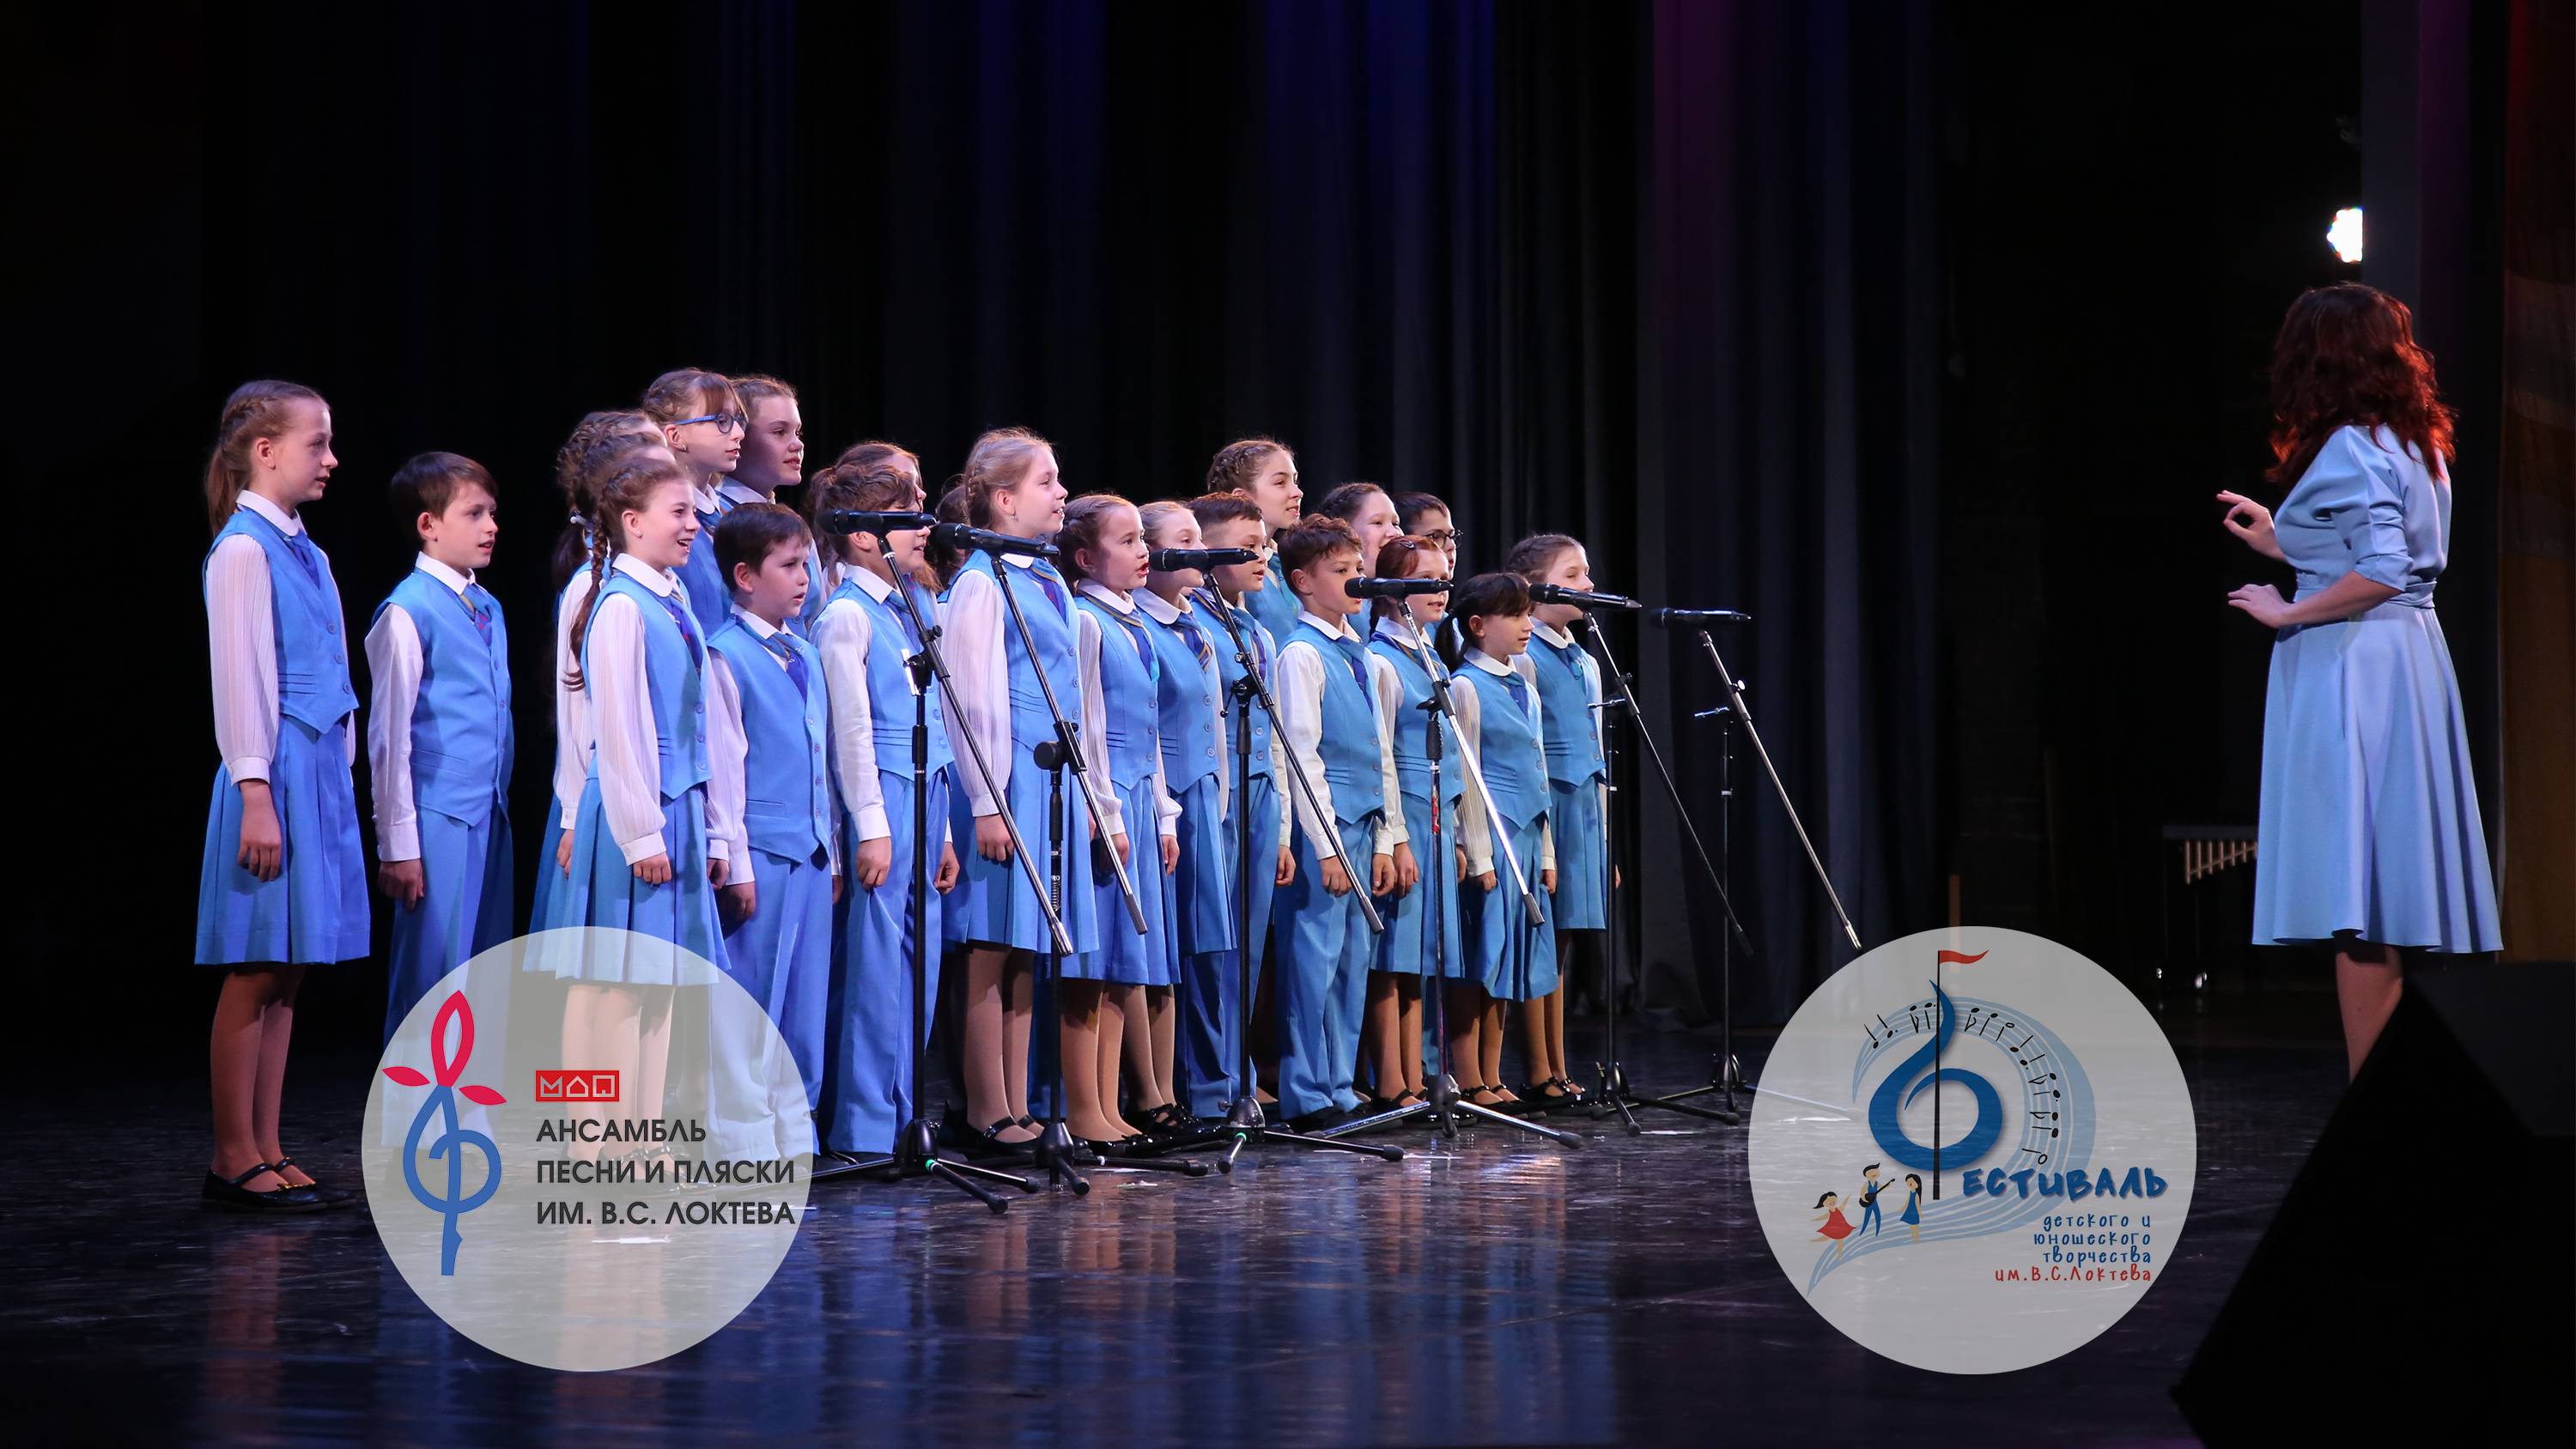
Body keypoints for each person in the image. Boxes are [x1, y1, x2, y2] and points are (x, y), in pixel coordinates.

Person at [2219, 282, 2502, 1078]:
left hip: (2350, 665)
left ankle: (2374, 1113)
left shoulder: (2347, 444)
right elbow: (2389, 554)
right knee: (2381, 896)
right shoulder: (2420, 445)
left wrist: (2286, 612)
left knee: (2359, 909)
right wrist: (2286, 543)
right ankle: (2398, 1104)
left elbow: (2381, 567)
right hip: (2407, 660)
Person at [195, 380, 365, 1214]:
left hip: (316, 773)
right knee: (256, 960)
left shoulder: (307, 549)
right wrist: (254, 787)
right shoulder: (242, 550)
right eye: (316, 443)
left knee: (291, 969)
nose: (330, 459)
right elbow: (243, 682)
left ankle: (267, 1140)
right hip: (271, 773)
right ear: (266, 452)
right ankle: (232, 1152)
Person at [941, 428, 1096, 1150]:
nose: (1062, 493)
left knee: (1028, 946)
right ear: (1004, 501)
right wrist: (985, 799)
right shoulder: (979, 580)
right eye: (1048, 481)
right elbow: (971, 701)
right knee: (988, 946)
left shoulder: (1044, 577)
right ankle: (984, 1106)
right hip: (1004, 785)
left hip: (1046, 781)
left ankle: (1020, 1098)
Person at [809, 448, 962, 1157]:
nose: (923, 527)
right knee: (873, 965)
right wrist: (871, 828)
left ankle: (908, 1114)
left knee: (918, 961)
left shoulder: (909, 607)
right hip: (882, 802)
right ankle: (865, 1123)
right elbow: (850, 733)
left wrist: (948, 835)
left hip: (924, 795)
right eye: (907, 518)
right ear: (865, 535)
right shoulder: (847, 616)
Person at [705, 503, 839, 1159]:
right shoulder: (725, 656)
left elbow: (821, 759)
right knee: (753, 998)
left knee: (805, 1003)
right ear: (744, 576)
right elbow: (726, 769)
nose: (802, 579)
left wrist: (833, 848)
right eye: (787, 566)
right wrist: (736, 862)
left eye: (806, 565)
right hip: (760, 849)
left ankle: (794, 1129)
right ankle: (740, 1136)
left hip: (810, 851)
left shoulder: (806, 654)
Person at [367, 452, 513, 1043]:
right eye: (474, 513)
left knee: (481, 972)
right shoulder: (409, 610)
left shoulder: (486, 605)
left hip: (489, 809)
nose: (491, 526)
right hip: (437, 815)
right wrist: (398, 843)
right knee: (433, 976)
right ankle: (412, 1123)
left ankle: (465, 1122)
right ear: (429, 525)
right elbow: (389, 737)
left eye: (492, 513)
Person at [1269, 516, 1406, 1130]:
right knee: (1313, 962)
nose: (1356, 580)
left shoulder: (1366, 659)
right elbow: (1299, 753)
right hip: (1323, 828)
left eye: (1358, 569)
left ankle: (1340, 1084)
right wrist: (1326, 847)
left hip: (1364, 822)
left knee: (1353, 962)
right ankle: (1305, 1090)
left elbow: (1379, 754)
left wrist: (1385, 838)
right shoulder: (1301, 654)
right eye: (1340, 571)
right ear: (1302, 581)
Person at [1062, 494, 1181, 1148]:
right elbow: (1090, 729)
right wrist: (1106, 811)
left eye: (1143, 539)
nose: (1143, 551)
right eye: (1127, 540)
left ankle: (1110, 1106)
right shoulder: (1087, 622)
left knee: (1126, 964)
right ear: (1085, 557)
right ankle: (1085, 1108)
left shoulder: (1135, 624)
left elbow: (1151, 732)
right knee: (1097, 961)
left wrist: (1163, 813)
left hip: (1138, 800)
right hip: (1106, 805)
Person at [1186, 489, 1296, 1110]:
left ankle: (1237, 1075)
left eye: (1264, 546)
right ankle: (1207, 1085)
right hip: (1216, 795)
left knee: (1249, 947)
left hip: (1259, 796)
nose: (1261, 558)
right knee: (1213, 942)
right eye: (1246, 547)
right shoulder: (1194, 622)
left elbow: (1275, 734)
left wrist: (1278, 826)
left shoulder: (1256, 629)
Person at [1136, 501, 1238, 1128]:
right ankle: (1163, 1091)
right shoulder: (1142, 628)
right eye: (1185, 540)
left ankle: (1204, 1089)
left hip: (1206, 797)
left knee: (1203, 944)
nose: (1200, 549)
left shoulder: (1195, 624)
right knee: (1165, 948)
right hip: (1164, 800)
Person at [1443, 572, 1562, 1110]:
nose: (1526, 625)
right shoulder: (1467, 685)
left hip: (1527, 835)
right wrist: (1481, 853)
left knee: (1510, 959)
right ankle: (1468, 1074)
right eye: (1514, 615)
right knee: (1481, 957)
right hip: (1492, 835)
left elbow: (1536, 767)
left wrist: (1548, 852)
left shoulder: (1525, 685)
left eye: (1527, 613)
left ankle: (1492, 1075)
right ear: (1477, 625)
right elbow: (1466, 773)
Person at [1508, 532, 1611, 1106]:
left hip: (1583, 813)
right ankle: (1538, 1069)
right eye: (1572, 575)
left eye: (1586, 573)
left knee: (1563, 941)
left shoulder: (1585, 660)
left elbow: (1594, 746)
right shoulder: (1524, 656)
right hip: (1544, 810)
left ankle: (1558, 1065)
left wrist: (1605, 845)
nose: (1588, 586)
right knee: (1539, 939)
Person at [1364, 535, 1465, 1112]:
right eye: (1425, 579)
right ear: (1392, 589)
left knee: (1422, 955)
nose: (1439, 589)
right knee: (1395, 955)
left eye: (1443, 577)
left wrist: (1450, 832)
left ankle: (1417, 1074)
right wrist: (1395, 836)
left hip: (1435, 813)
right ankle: (1390, 1078)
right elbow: (1380, 752)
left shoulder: (1428, 652)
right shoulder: (1381, 658)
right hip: (1402, 811)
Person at [642, 367, 748, 640]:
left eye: (737, 420)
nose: (738, 433)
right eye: (722, 421)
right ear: (675, 436)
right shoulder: (660, 525)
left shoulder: (726, 515)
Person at [1206, 437, 1305, 645]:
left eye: (1295, 481)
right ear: (1241, 497)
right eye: (1280, 483)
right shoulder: (1233, 568)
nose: (1297, 493)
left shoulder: (1288, 563)